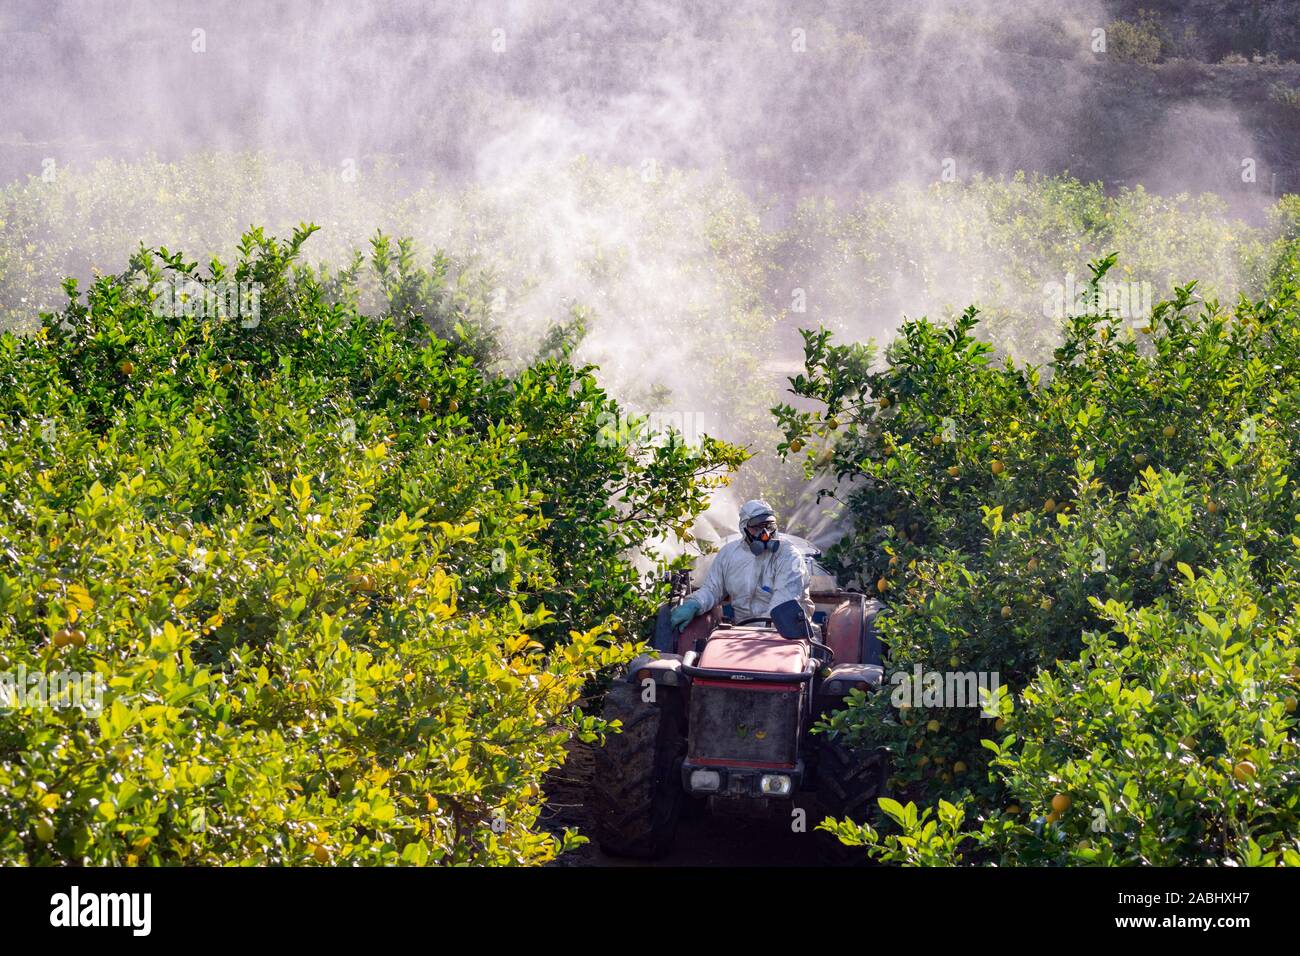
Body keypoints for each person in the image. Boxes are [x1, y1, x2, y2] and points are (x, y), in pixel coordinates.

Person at [669, 499, 814, 636]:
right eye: (757, 527)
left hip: (785, 633)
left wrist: (760, 635)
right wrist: (695, 603)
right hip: (741, 634)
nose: (765, 534)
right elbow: (712, 589)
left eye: (768, 526)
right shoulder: (728, 554)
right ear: (744, 528)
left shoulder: (788, 555)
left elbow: (784, 603)